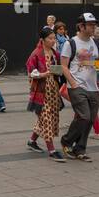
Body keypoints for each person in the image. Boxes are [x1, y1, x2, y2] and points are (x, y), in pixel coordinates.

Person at [59, 13, 99, 161]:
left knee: (90, 120)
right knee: (84, 116)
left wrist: (94, 64)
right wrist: (73, 83)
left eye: (94, 24)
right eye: (90, 25)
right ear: (81, 26)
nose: (93, 27)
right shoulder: (70, 43)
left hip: (93, 87)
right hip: (77, 85)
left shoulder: (97, 43)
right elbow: (63, 66)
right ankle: (66, 141)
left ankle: (80, 149)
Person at [26, 26, 66, 162]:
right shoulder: (36, 53)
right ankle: (52, 150)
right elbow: (31, 71)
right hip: (40, 92)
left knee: (48, 118)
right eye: (50, 38)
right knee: (47, 119)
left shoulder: (55, 54)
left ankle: (32, 141)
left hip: (53, 91)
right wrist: (43, 74)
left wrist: (59, 72)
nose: (53, 40)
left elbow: (60, 70)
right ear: (42, 40)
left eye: (54, 38)